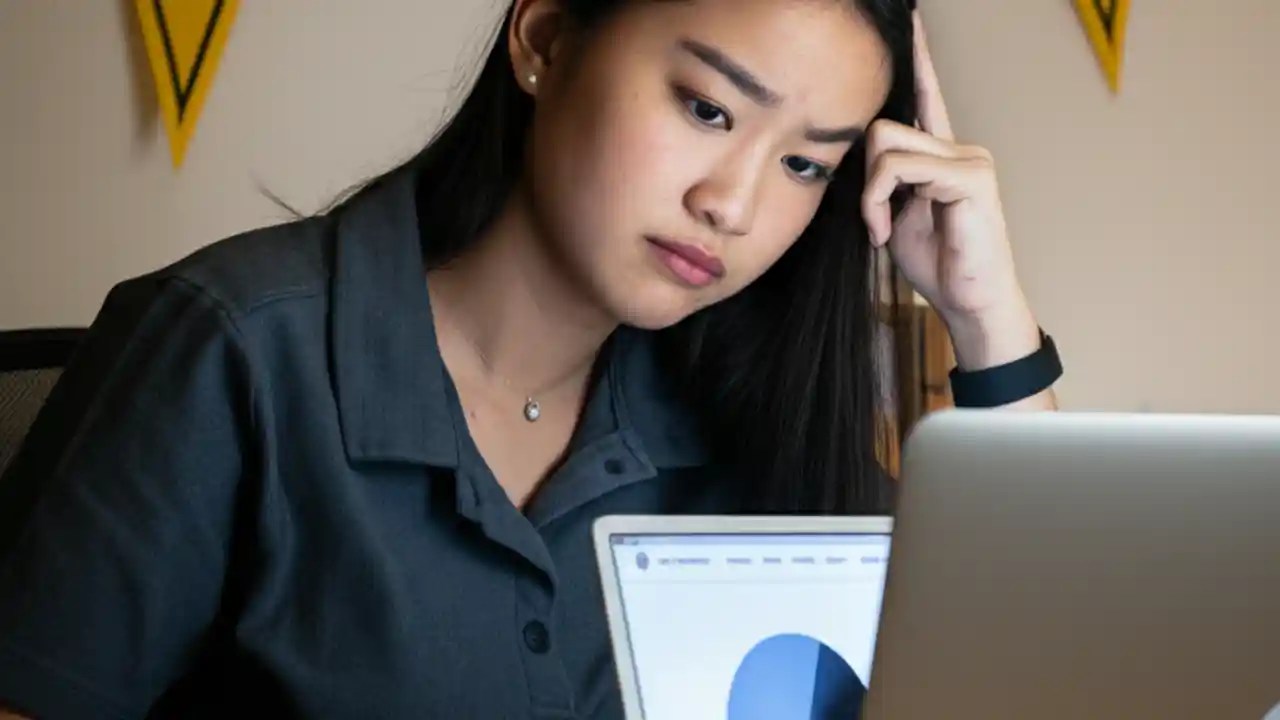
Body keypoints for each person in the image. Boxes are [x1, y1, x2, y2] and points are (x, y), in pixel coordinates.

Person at [0, 0, 1060, 717]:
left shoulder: (750, 422)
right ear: (545, 41)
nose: (731, 203)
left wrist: (985, 315)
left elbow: (1043, 676)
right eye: (703, 107)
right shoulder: (229, 347)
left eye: (801, 163)